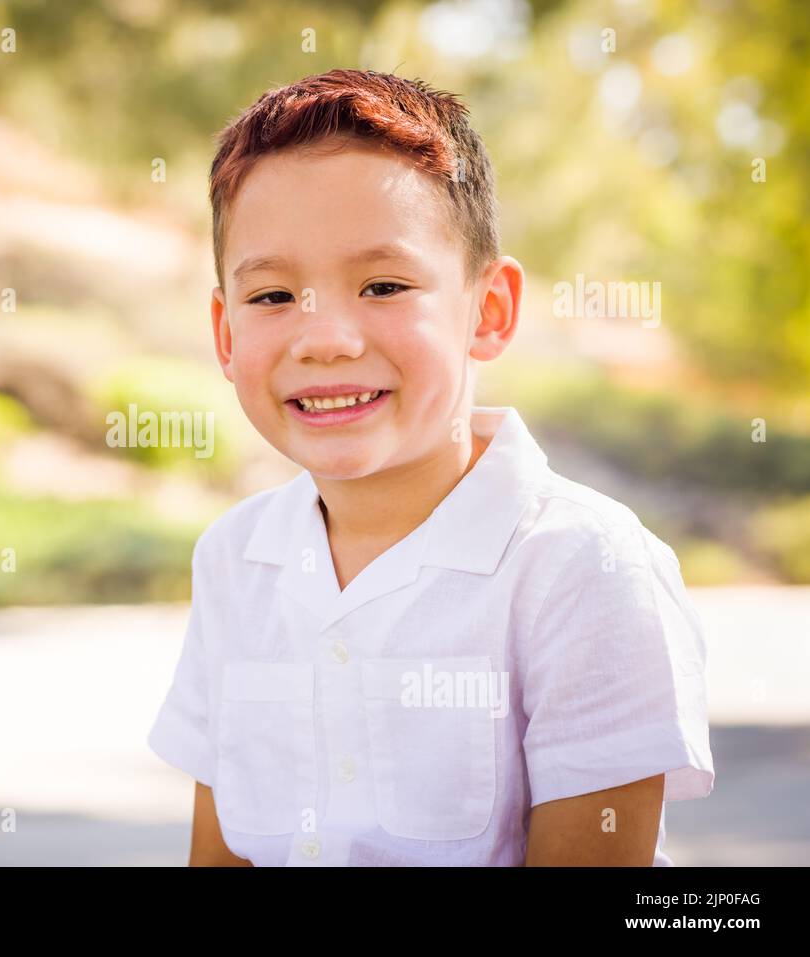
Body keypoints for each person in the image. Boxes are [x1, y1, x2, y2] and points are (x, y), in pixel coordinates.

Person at [145, 69, 714, 866]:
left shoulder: (580, 567)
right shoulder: (235, 561)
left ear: (490, 310)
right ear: (225, 332)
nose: (326, 338)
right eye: (274, 296)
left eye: (384, 285)